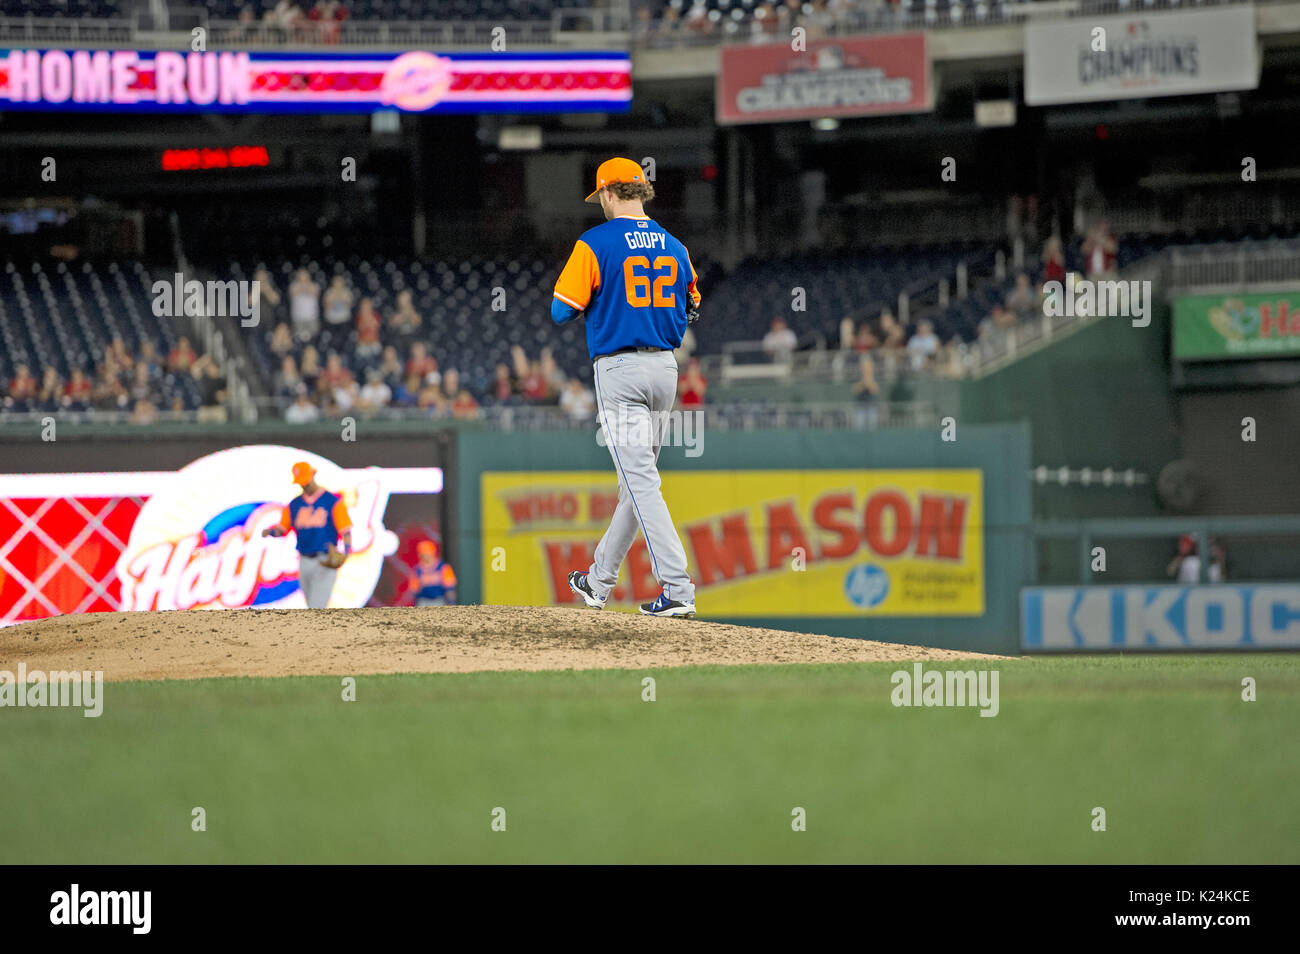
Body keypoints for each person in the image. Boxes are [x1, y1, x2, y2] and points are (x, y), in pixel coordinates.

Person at [553, 156, 700, 618]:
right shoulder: (675, 246)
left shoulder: (595, 242)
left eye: (601, 197)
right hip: (665, 369)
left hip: (619, 370)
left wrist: (607, 298)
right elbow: (692, 304)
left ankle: (678, 589)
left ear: (610, 194)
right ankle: (598, 581)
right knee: (634, 486)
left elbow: (561, 310)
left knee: (641, 482)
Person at [262, 461, 353, 609]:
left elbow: (345, 530)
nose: (304, 485)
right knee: (311, 605)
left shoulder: (332, 501)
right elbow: (282, 529)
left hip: (325, 559)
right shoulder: (294, 505)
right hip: (304, 559)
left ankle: (319, 631)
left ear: (313, 475)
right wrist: (271, 532)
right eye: (301, 482)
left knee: (316, 607)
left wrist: (346, 551)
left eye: (306, 480)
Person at [405, 540, 457, 606]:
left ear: (433, 552)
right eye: (423, 553)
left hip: (439, 601)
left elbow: (450, 588)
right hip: (423, 602)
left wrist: (452, 603)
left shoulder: (443, 567)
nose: (426, 555)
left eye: (427, 552)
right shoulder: (417, 570)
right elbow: (414, 590)